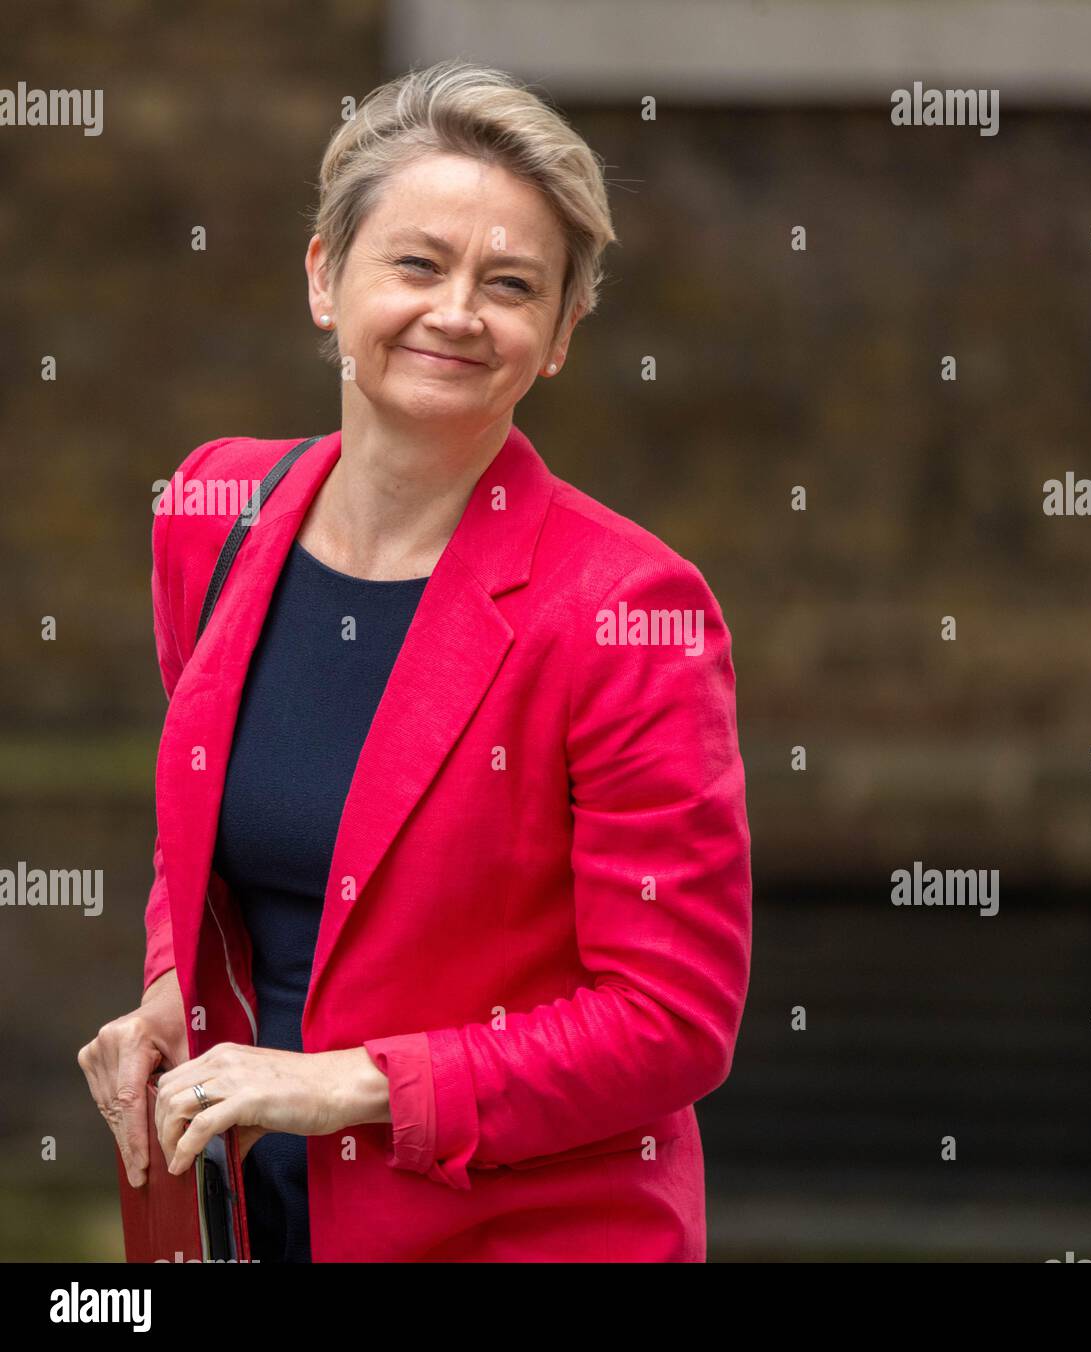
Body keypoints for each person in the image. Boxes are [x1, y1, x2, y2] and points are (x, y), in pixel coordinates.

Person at [77, 58, 751, 1262]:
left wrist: (355, 1084)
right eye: (417, 263)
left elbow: (672, 1019)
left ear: (556, 335)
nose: (457, 312)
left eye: (510, 285)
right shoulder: (210, 510)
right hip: (246, 1225)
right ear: (326, 280)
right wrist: (168, 992)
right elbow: (206, 846)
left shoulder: (629, 609)